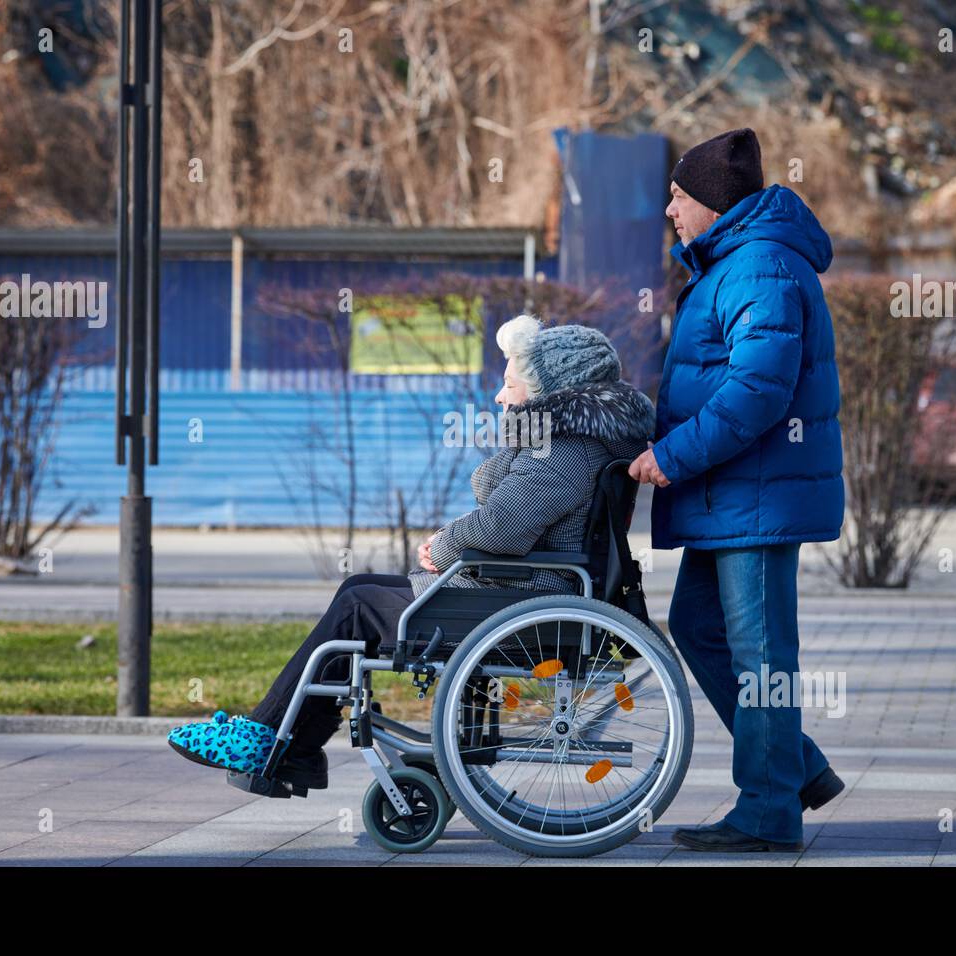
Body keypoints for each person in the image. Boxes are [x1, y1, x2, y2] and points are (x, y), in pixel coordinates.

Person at [168, 314, 655, 792]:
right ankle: (293, 750)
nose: (499, 396)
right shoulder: (568, 443)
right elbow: (504, 504)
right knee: (358, 589)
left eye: (511, 386)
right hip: (518, 593)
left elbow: (503, 528)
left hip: (518, 600)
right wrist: (518, 436)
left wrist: (443, 546)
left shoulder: (564, 449)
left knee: (358, 605)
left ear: (551, 391)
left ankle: (271, 741)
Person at [628, 127, 846, 852]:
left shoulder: (758, 268)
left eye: (679, 197)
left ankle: (767, 809)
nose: (670, 211)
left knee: (760, 654)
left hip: (754, 497)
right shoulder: (735, 263)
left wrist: (673, 457)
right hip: (733, 495)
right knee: (699, 629)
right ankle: (793, 769)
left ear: (715, 204)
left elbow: (758, 389)